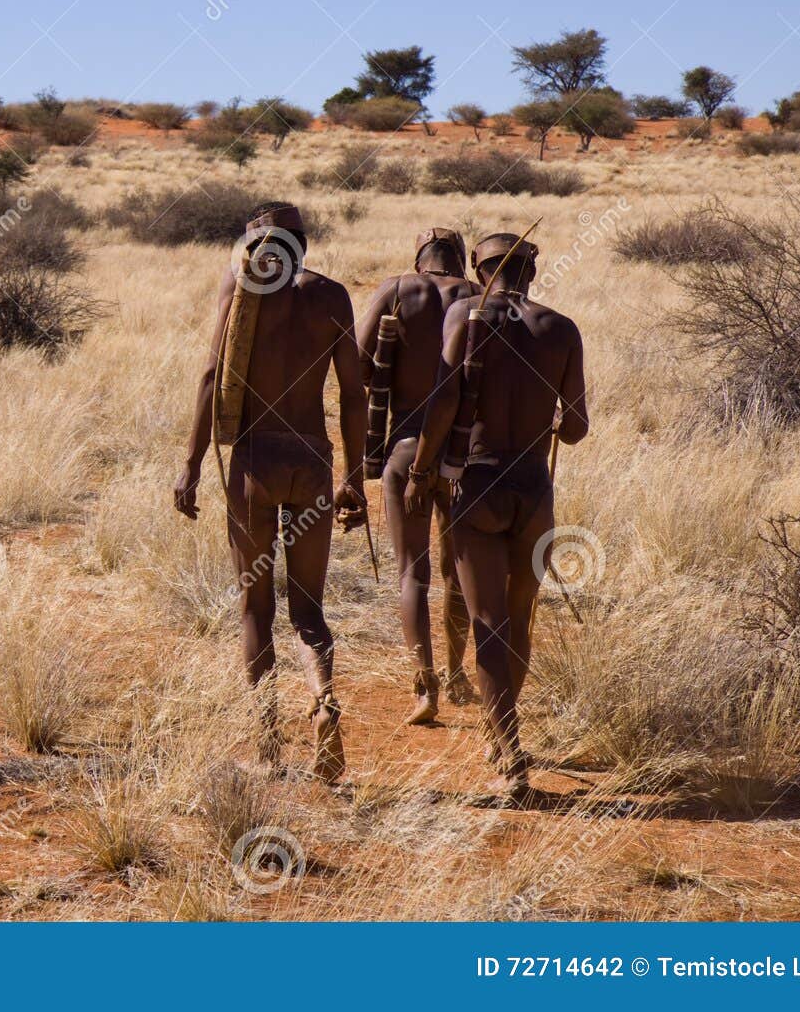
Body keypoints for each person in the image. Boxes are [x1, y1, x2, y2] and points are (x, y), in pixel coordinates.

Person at [174, 202, 368, 784]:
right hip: (312, 461)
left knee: (257, 608)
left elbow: (212, 376)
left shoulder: (242, 287)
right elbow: (353, 393)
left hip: (254, 463)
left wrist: (191, 465)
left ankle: (267, 746)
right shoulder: (332, 296)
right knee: (308, 608)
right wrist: (353, 477)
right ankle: (323, 701)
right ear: (302, 244)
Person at [405, 232, 588, 799]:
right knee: (519, 617)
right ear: (531, 272)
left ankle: (509, 757)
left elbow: (444, 402)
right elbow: (576, 427)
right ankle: (499, 731)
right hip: (534, 492)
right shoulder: (561, 329)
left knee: (488, 622)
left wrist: (420, 472)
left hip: (477, 487)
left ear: (481, 272)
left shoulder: (465, 316)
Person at [358, 228, 478, 725]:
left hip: (406, 448)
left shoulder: (396, 290)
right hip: (462, 455)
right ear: (460, 259)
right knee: (459, 569)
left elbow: (359, 366)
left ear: (419, 258)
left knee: (413, 571)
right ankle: (456, 673)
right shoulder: (476, 297)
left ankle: (424, 685)